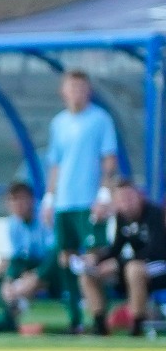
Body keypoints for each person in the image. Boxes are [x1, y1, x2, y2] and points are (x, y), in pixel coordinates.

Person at [43, 69, 121, 332]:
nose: (76, 92)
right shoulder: (58, 123)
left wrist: (104, 194)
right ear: (63, 91)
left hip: (89, 202)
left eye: (81, 87)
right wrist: (49, 198)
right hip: (65, 202)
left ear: (88, 91)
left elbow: (109, 160)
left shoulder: (100, 120)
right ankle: (75, 318)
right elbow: (56, 164)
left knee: (90, 260)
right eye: (71, 87)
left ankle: (99, 317)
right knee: (66, 259)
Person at [80, 180, 166, 337]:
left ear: (139, 196)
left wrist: (119, 264)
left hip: (159, 266)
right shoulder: (122, 218)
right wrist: (96, 259)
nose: (126, 203)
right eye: (121, 200)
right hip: (130, 266)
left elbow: (157, 250)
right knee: (88, 274)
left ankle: (136, 326)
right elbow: (115, 249)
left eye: (129, 197)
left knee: (134, 269)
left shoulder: (155, 214)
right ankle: (100, 326)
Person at [0, 180, 55, 327]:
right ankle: (9, 315)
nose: (17, 205)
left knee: (33, 280)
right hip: (32, 265)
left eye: (21, 199)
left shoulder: (45, 216)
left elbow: (53, 255)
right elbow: (18, 257)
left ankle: (13, 314)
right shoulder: (13, 224)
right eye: (13, 200)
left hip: (53, 268)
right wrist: (8, 280)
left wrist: (36, 275)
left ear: (31, 200)